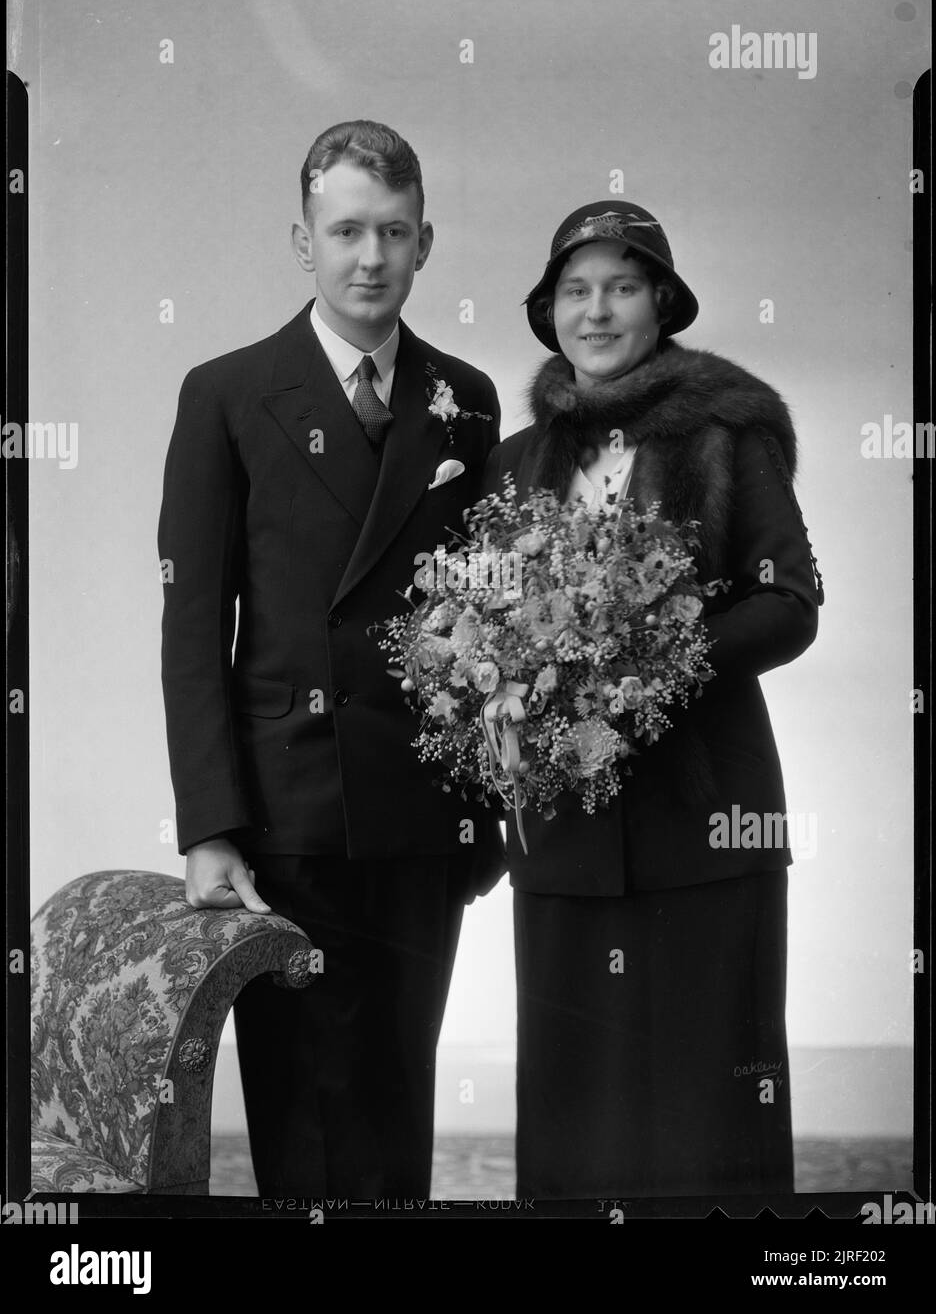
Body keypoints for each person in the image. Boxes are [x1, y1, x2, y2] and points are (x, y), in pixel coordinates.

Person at [158, 120, 505, 1199]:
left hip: (419, 816)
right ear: (302, 240)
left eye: (392, 231)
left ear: (425, 242)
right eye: (346, 229)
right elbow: (191, 625)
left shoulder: (469, 397)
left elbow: (493, 627)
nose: (371, 257)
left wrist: (487, 807)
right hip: (285, 817)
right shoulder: (225, 393)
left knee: (397, 1100)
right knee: (301, 1122)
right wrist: (210, 825)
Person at [481, 200, 823, 1199]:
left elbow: (789, 602)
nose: (598, 311)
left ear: (661, 303)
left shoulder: (729, 433)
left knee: (708, 1105)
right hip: (567, 839)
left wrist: (652, 663)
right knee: (576, 1108)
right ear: (549, 313)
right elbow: (487, 635)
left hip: (706, 828)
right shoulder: (514, 462)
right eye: (576, 291)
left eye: (623, 287)